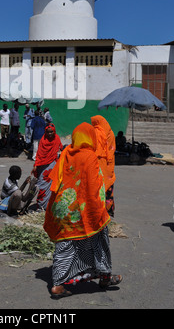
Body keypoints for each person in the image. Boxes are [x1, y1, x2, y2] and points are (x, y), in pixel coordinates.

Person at [44, 123, 122, 298]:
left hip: (63, 208)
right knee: (100, 241)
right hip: (84, 210)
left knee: (64, 247)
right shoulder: (90, 156)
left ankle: (57, 285)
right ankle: (104, 277)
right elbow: (95, 186)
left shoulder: (65, 152)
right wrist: (100, 210)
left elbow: (56, 181)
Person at [32, 124, 63, 210]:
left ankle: (49, 206)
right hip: (42, 166)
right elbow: (39, 154)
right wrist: (36, 164)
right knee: (42, 185)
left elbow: (61, 148)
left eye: (51, 132)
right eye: (48, 132)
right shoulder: (43, 140)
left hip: (52, 165)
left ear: (54, 131)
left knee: (52, 186)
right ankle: (41, 206)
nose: (49, 134)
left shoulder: (57, 138)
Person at [91, 115, 116, 217]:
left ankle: (99, 213)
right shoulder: (110, 133)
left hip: (98, 163)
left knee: (98, 187)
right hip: (109, 164)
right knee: (108, 186)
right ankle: (109, 210)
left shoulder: (96, 132)